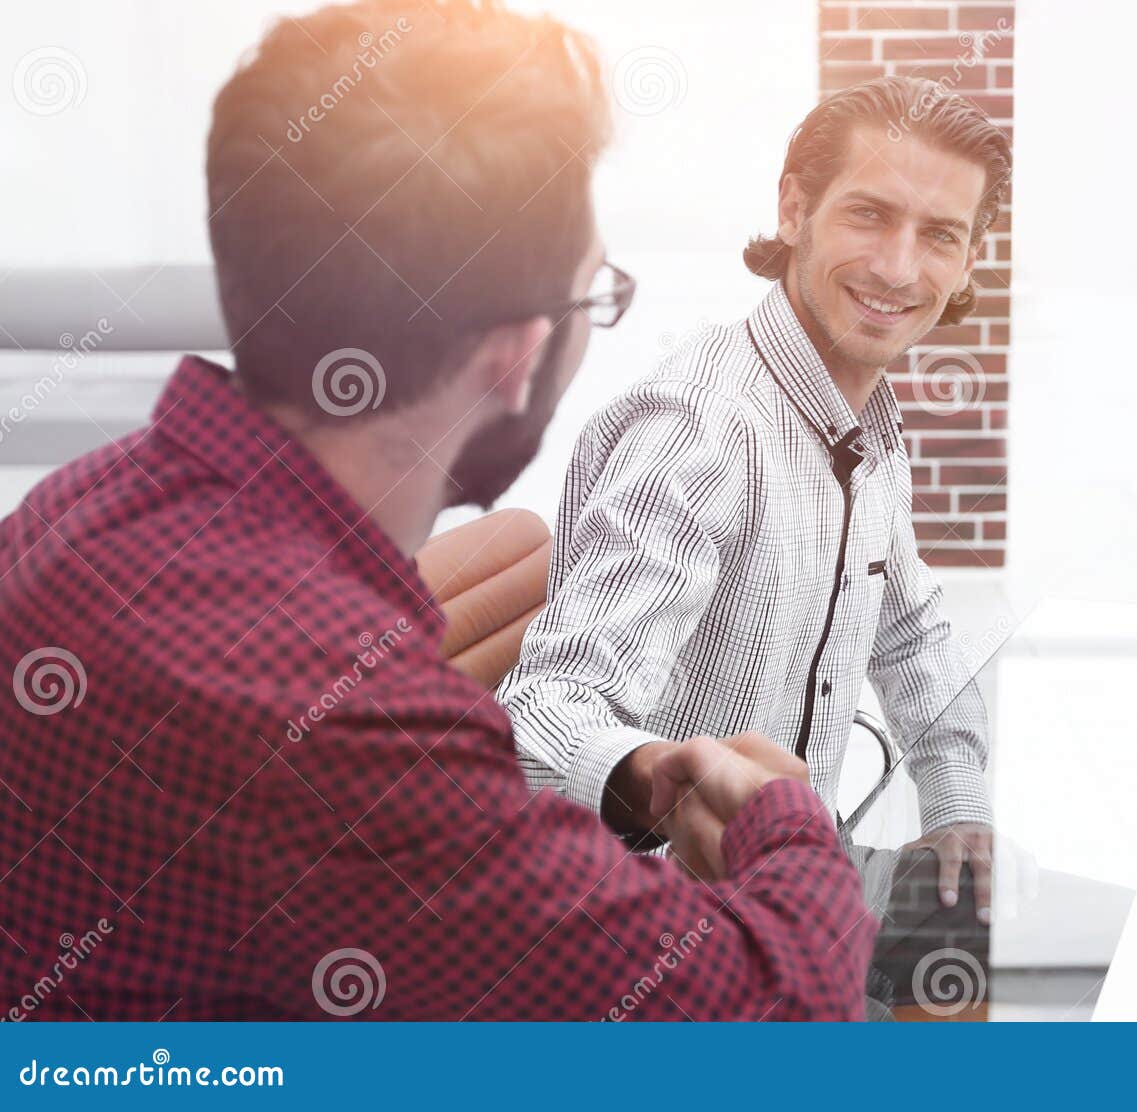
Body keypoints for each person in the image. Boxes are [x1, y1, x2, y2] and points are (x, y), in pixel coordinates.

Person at [0, 0, 873, 1021]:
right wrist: (783, 817)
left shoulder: (69, 509)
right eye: (596, 293)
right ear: (513, 353)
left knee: (516, 561)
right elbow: (780, 1010)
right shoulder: (359, 751)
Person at [498, 76, 1012, 920]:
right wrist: (657, 778)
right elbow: (538, 720)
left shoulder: (869, 427)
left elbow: (912, 631)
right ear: (793, 208)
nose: (897, 267)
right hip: (650, 935)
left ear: (964, 263)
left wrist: (958, 798)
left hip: (789, 901)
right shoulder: (703, 430)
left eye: (939, 235)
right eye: (870, 215)